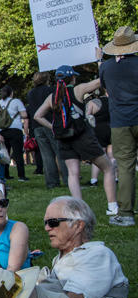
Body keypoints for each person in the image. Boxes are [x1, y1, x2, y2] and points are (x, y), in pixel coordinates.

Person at [11, 197, 130, 298]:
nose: (47, 228)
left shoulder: (98, 253)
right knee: (19, 295)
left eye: (53, 222)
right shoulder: (59, 261)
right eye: (46, 223)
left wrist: (28, 293)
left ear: (78, 225)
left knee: (20, 291)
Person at [34, 65, 117, 211]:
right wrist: (100, 62)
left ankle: (80, 209)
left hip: (63, 139)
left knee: (73, 173)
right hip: (83, 137)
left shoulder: (52, 97)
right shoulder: (78, 89)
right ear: (72, 77)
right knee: (108, 168)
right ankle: (112, 207)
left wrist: (53, 127)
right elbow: (101, 81)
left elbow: (37, 116)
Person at [99, 25, 138, 226]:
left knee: (125, 168)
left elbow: (105, 89)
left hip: (120, 121)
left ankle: (126, 213)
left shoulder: (106, 67)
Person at [27, 71, 68, 189]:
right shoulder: (50, 90)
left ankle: (52, 182)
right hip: (50, 123)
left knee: (46, 155)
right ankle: (67, 179)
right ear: (46, 79)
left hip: (37, 125)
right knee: (60, 152)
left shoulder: (30, 93)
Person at [0, 85, 29, 181]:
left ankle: (6, 174)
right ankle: (21, 175)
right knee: (18, 153)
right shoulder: (16, 102)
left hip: (2, 131)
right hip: (15, 130)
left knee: (5, 153)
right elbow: (24, 115)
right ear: (11, 93)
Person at [86, 91, 114, 187]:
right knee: (112, 154)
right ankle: (116, 178)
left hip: (98, 129)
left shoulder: (93, 102)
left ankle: (94, 180)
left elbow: (88, 116)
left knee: (98, 155)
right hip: (112, 128)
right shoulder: (114, 101)